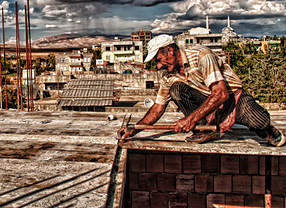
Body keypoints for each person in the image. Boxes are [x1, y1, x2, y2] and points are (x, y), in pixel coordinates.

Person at [118, 34, 285, 146]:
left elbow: (220, 93)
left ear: (170, 50)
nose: (159, 65)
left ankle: (266, 130)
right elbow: (157, 108)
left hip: (233, 100)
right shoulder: (168, 76)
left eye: (159, 60)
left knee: (259, 120)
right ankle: (204, 129)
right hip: (207, 105)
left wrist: (190, 119)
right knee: (176, 89)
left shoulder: (201, 55)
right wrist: (135, 129)